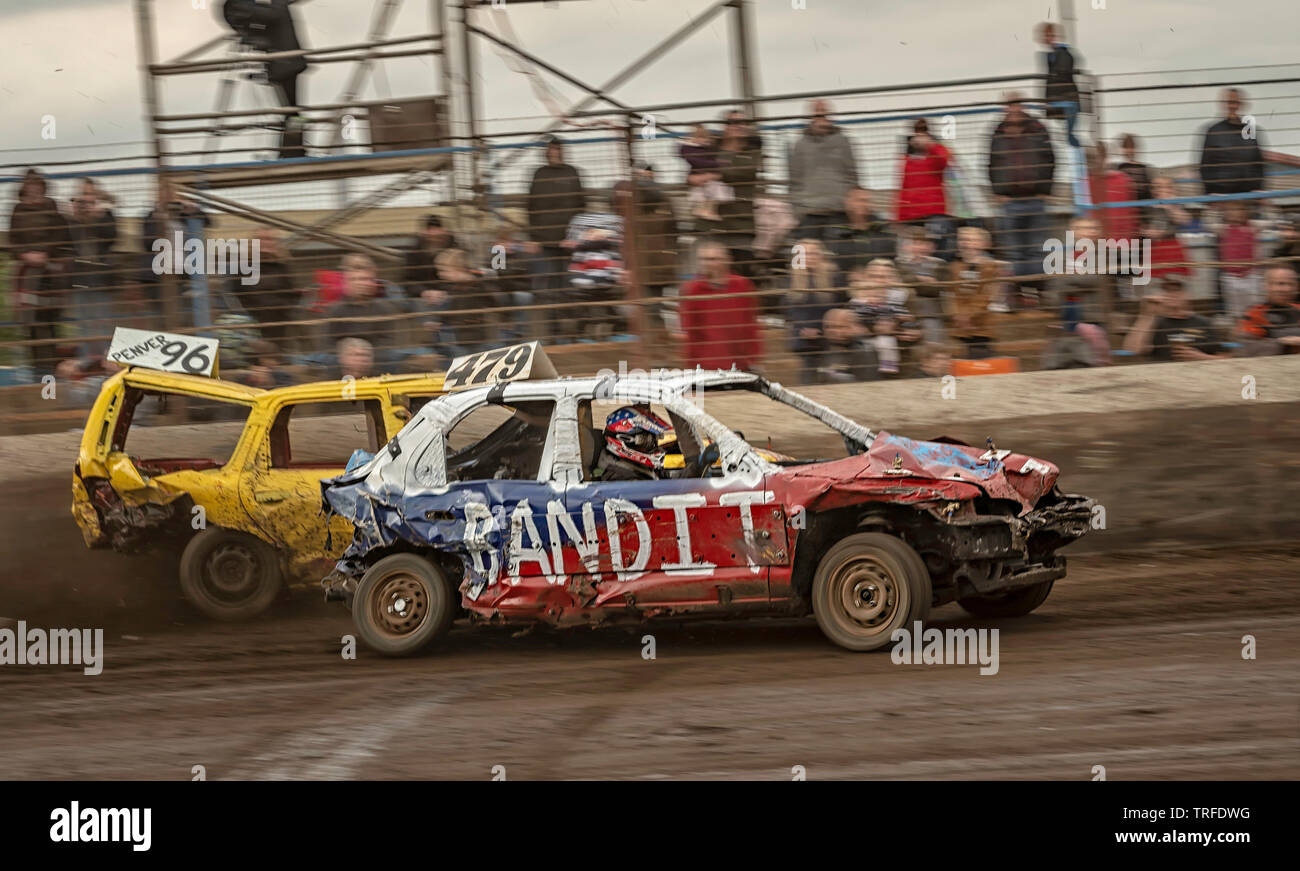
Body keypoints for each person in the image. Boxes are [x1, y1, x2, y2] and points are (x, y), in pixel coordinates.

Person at [987, 94, 1056, 292]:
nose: (1013, 108)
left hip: (1036, 198)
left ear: (1022, 106)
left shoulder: (1038, 128)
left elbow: (1050, 157)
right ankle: (1018, 293)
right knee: (1013, 250)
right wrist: (997, 191)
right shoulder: (997, 131)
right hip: (1009, 201)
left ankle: (1035, 292)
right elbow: (992, 163)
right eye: (1009, 104)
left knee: (1037, 248)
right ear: (1004, 108)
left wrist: (1045, 189)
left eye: (1016, 104)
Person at [8, 169, 70, 375]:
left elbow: (61, 235)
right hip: (28, 274)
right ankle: (38, 374)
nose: (33, 189)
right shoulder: (18, 210)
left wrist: (44, 253)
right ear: (24, 188)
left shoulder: (51, 206)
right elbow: (12, 241)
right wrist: (26, 255)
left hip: (50, 273)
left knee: (50, 324)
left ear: (42, 186)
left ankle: (51, 375)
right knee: (32, 327)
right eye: (29, 186)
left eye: (37, 185)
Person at [527, 137, 585, 339]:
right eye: (550, 149)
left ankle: (573, 333)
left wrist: (576, 236)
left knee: (570, 286)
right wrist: (533, 238)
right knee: (547, 288)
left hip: (570, 241)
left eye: (557, 149)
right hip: (545, 240)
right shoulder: (539, 173)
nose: (553, 152)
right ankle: (552, 333)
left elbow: (581, 206)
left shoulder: (572, 172)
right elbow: (531, 206)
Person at [674, 243, 760, 372]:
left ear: (727, 260)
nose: (706, 263)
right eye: (703, 259)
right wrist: (692, 364)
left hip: (740, 363)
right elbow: (689, 330)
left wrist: (753, 358)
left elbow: (750, 324)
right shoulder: (692, 289)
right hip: (707, 366)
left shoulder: (742, 285)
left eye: (713, 259)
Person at [614, 165, 680, 334]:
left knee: (652, 309)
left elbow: (673, 230)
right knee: (648, 309)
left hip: (655, 265)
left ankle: (656, 345)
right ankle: (654, 343)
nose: (645, 181)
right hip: (645, 265)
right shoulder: (633, 205)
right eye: (642, 178)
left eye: (648, 177)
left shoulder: (657, 202)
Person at [789, 99, 859, 241]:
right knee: (804, 257)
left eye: (824, 114)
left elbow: (853, 175)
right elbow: (794, 180)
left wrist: (851, 207)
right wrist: (798, 212)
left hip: (839, 212)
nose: (821, 119)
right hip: (809, 212)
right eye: (817, 115)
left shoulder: (843, 141)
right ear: (810, 118)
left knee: (837, 257)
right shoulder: (800, 144)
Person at [66, 177, 118, 359]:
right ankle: (86, 362)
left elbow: (111, 237)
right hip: (81, 279)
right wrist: (77, 217)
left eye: (90, 193)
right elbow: (68, 241)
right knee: (84, 324)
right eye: (83, 193)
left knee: (103, 322)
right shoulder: (73, 219)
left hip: (101, 279)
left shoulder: (106, 215)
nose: (87, 198)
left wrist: (97, 217)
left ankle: (106, 361)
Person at [1123, 276, 1224, 361]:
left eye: (1177, 290)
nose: (1172, 294)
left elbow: (1225, 357)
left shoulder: (1203, 322)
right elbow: (1132, 350)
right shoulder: (1155, 322)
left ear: (1187, 294)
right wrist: (1147, 315)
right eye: (1167, 290)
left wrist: (1200, 357)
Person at [564, 200, 625, 340]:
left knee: (585, 301)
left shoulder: (578, 222)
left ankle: (583, 331)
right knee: (607, 299)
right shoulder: (616, 223)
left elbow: (570, 244)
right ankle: (614, 328)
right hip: (608, 276)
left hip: (582, 277)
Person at [783, 238, 840, 383]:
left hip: (829, 331)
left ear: (821, 256)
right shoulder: (791, 279)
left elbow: (836, 307)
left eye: (814, 253)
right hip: (803, 335)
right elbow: (790, 310)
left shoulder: (833, 277)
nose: (810, 257)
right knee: (809, 361)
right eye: (805, 254)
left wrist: (820, 329)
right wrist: (805, 328)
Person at [714, 110, 763, 276]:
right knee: (716, 275)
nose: (738, 126)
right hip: (716, 225)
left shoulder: (752, 152)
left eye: (742, 122)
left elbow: (741, 172)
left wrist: (712, 173)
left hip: (742, 224)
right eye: (732, 123)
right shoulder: (713, 149)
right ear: (725, 127)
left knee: (742, 275)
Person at [895, 117, 953, 255]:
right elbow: (904, 185)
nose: (920, 134)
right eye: (917, 131)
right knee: (912, 253)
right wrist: (899, 217)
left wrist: (930, 145)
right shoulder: (907, 157)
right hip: (912, 215)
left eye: (924, 130)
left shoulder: (937, 150)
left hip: (934, 212)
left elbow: (945, 161)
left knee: (937, 252)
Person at [234, 228, 300, 345]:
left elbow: (292, 293)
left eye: (270, 239)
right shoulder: (244, 266)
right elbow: (236, 294)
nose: (265, 242)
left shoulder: (283, 266)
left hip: (281, 320)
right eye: (261, 239)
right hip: (253, 320)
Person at [944, 226, 1001, 359]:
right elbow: (951, 294)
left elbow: (986, 296)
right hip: (959, 326)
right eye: (963, 240)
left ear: (983, 244)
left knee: (980, 360)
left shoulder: (991, 267)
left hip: (981, 326)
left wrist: (967, 316)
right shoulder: (954, 267)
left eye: (971, 240)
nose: (966, 243)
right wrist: (957, 315)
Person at [1198, 88, 1266, 196]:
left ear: (1242, 105)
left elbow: (1259, 163)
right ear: (1223, 105)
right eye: (1229, 102)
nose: (1233, 106)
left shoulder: (1250, 130)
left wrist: (1259, 190)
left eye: (1236, 102)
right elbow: (1205, 165)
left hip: (1248, 196)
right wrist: (1210, 193)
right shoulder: (1213, 131)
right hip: (1222, 197)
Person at [826, 187, 894, 282]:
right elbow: (833, 256)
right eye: (859, 200)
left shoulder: (881, 226)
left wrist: (870, 273)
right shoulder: (835, 228)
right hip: (846, 279)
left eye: (867, 201)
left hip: (880, 277)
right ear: (848, 203)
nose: (864, 204)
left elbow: (890, 254)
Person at [894, 226, 946, 344]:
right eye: (915, 243)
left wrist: (910, 281)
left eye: (923, 243)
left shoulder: (939, 264)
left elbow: (935, 290)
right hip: (905, 315)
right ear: (905, 246)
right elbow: (899, 282)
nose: (919, 247)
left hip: (931, 315)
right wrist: (921, 279)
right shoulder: (899, 263)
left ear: (930, 246)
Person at [1036, 21, 1082, 147]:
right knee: (1066, 136)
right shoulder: (1053, 54)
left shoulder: (1062, 53)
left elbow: (1059, 75)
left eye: (1049, 35)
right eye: (1046, 36)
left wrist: (1049, 100)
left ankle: (1082, 158)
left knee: (1069, 136)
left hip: (1067, 101)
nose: (1047, 39)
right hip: (1063, 100)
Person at [1237, 265, 1300, 355]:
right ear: (1267, 286)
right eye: (1280, 284)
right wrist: (1280, 342)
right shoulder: (1255, 314)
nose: (1287, 289)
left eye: (1291, 284)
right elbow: (1240, 346)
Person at [1218, 201, 1259, 320]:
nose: (1235, 213)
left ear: (1246, 212)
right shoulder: (1223, 228)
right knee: (1234, 309)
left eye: (1239, 209)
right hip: (1231, 276)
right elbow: (1208, 223)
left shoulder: (1252, 226)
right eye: (1230, 210)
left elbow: (1271, 221)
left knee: (1255, 306)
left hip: (1251, 274)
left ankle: (1255, 326)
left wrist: (1266, 204)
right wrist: (1215, 207)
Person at [679, 124, 728, 222]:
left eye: (705, 137)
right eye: (699, 137)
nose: (703, 140)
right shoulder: (689, 148)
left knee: (712, 192)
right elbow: (697, 161)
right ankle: (702, 210)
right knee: (706, 193)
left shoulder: (705, 148)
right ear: (692, 138)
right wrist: (717, 164)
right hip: (697, 174)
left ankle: (708, 211)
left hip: (703, 175)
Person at [402, 215, 459, 299]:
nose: (434, 234)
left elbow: (461, 277)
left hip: (449, 295)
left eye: (437, 229)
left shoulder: (454, 248)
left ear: (444, 232)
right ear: (424, 233)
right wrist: (423, 292)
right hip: (421, 297)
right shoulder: (414, 252)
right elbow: (408, 280)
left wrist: (444, 292)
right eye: (430, 229)